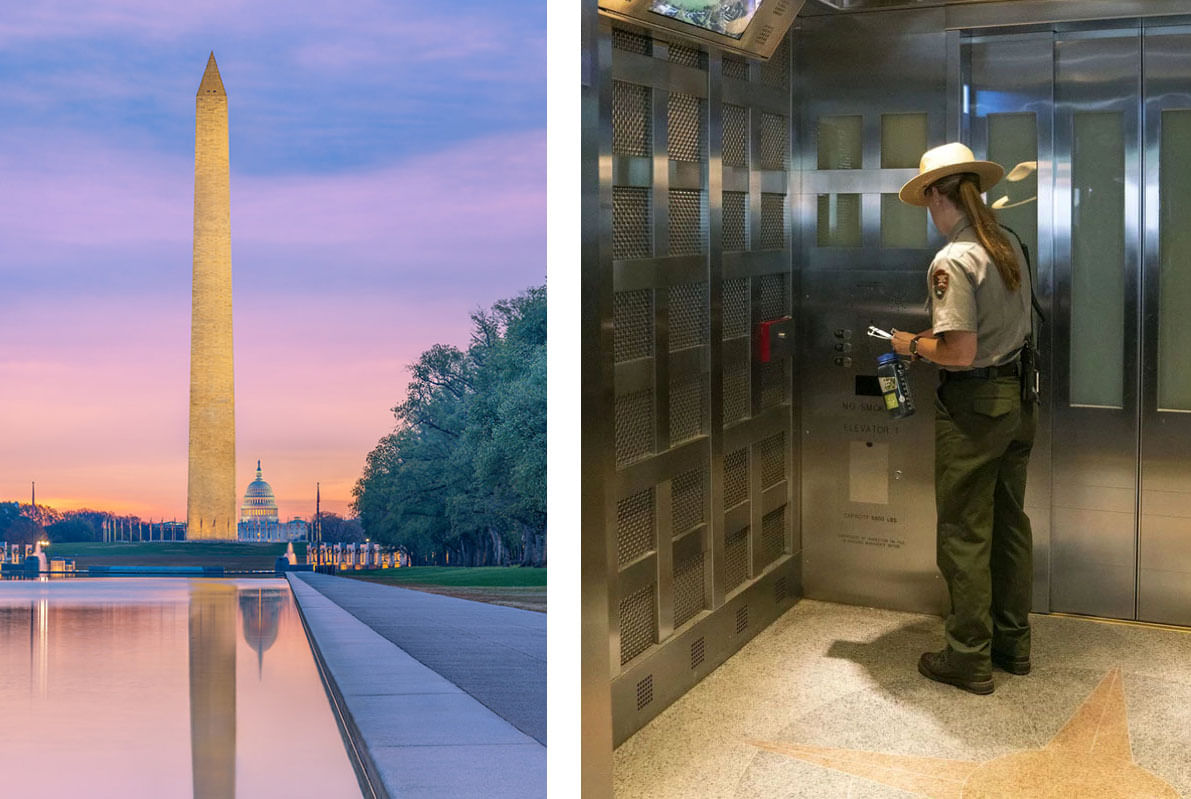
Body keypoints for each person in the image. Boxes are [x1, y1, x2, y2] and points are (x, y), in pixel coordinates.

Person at [889, 142, 1036, 696]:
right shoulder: (1007, 245)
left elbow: (959, 352)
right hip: (1019, 403)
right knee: (1009, 524)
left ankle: (968, 657)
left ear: (933, 195)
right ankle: (1012, 644)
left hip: (974, 408)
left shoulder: (953, 260)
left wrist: (912, 344)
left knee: (964, 532)